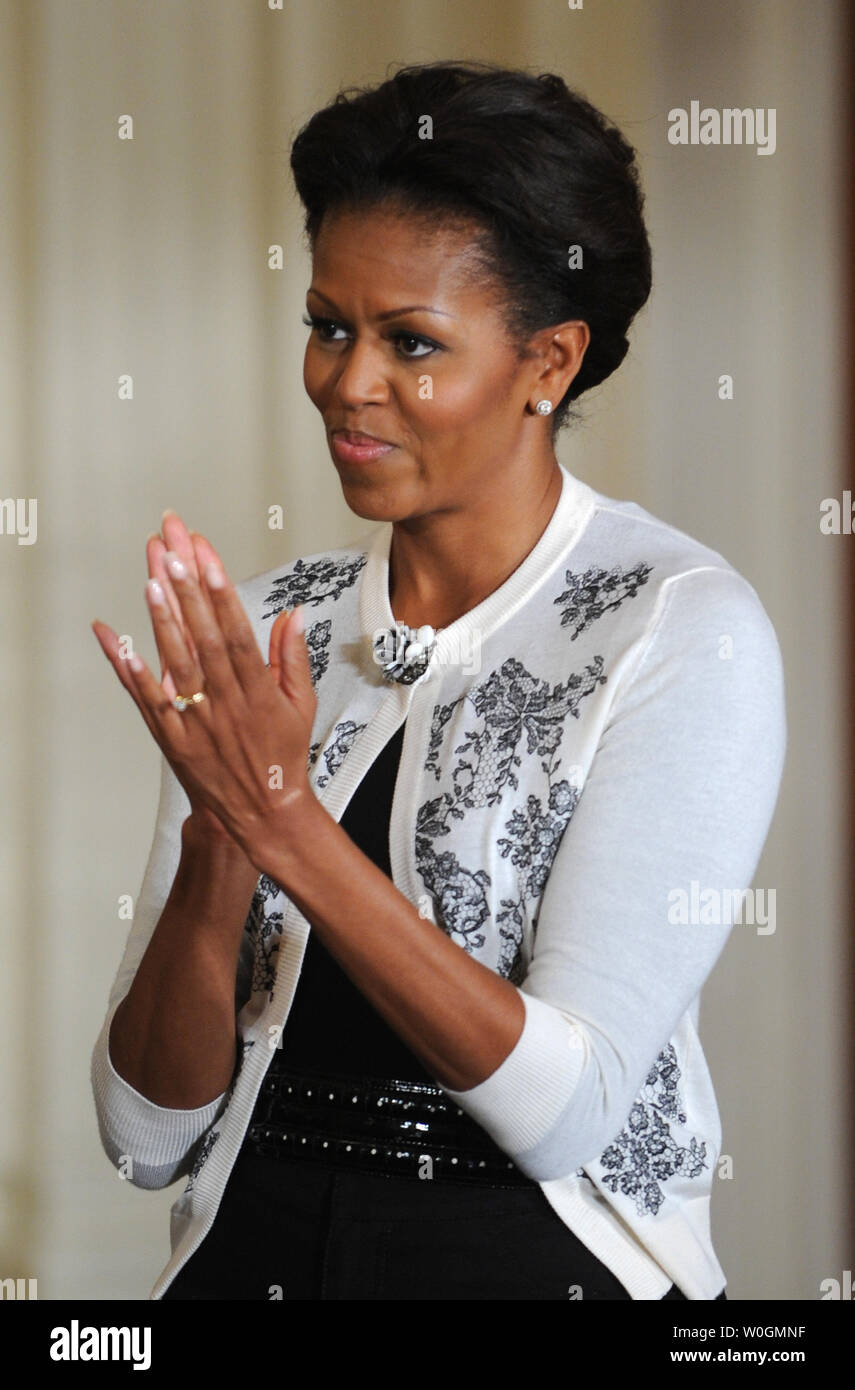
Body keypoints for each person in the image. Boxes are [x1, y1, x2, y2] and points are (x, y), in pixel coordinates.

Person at [90, 60, 786, 1300]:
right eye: (328, 325)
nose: (349, 383)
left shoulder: (680, 629)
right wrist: (219, 841)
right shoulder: (269, 625)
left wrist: (284, 820)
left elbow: (566, 1111)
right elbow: (145, 1137)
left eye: (411, 342)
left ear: (548, 362)